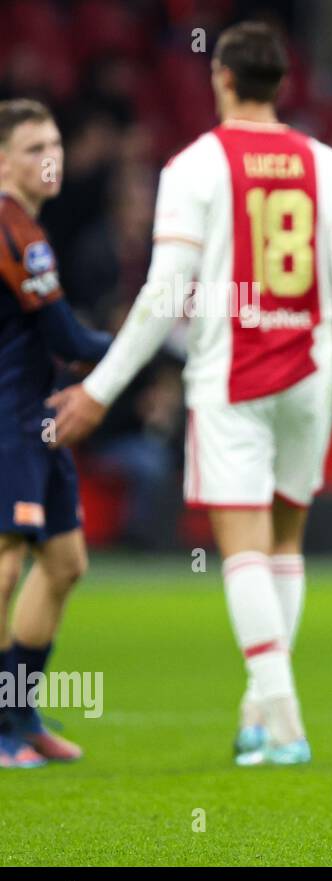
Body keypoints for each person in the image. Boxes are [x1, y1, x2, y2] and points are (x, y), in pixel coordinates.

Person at [47, 22, 332, 767]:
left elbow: (164, 291)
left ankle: (288, 722)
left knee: (240, 549)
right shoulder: (330, 165)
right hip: (311, 370)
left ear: (224, 81)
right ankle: (256, 710)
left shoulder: (194, 166)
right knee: (285, 544)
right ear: (284, 84)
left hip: (230, 376)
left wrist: (102, 388)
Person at [0, 99, 112, 769]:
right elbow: (67, 336)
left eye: (58, 143)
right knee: (8, 560)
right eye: (36, 145)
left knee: (65, 563)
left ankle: (18, 714)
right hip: (8, 421)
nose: (53, 157)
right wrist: (142, 347)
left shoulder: (30, 229)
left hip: (42, 416)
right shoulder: (14, 230)